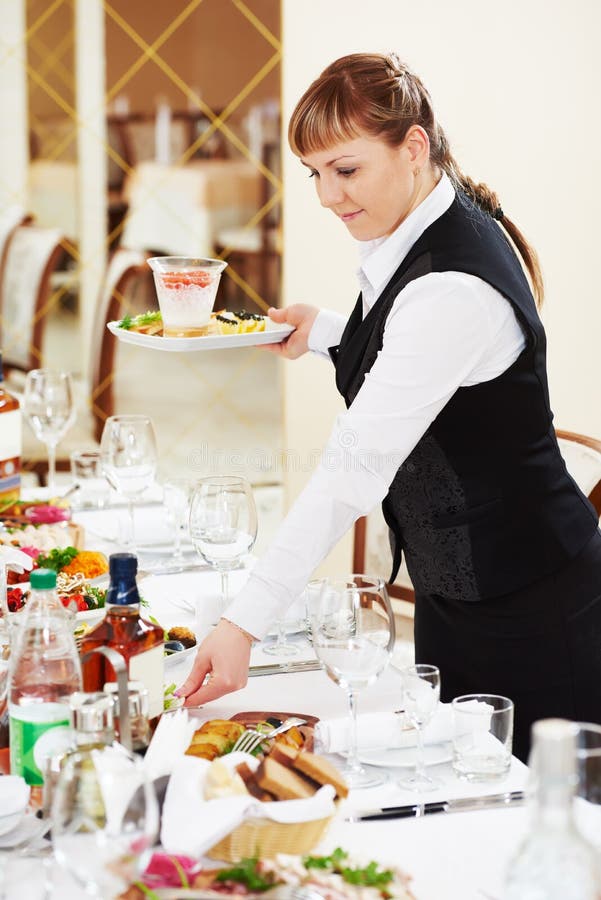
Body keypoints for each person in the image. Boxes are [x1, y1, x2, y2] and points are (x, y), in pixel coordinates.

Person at [177, 52, 601, 761]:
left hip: (532, 611)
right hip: (454, 596)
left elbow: (351, 471)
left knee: (522, 825)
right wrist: (330, 333)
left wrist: (241, 624)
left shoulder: (449, 287)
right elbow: (425, 358)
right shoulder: (417, 231)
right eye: (314, 174)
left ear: (413, 148)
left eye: (345, 170)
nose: (326, 195)